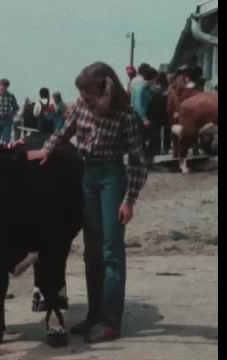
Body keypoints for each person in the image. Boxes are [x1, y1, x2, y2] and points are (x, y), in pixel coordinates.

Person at [28, 62, 148, 343]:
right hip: (88, 176)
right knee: (92, 252)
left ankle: (110, 322)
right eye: (80, 92)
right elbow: (64, 131)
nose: (84, 98)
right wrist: (47, 148)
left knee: (111, 252)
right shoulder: (81, 107)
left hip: (111, 177)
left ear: (106, 86)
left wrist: (129, 199)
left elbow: (138, 162)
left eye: (88, 92)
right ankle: (94, 315)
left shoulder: (125, 115)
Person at [131, 66, 158, 162]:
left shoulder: (146, 88)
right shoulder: (141, 87)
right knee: (147, 137)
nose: (156, 81)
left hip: (141, 116)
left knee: (143, 139)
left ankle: (145, 159)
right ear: (152, 78)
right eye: (155, 78)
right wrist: (144, 118)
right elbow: (138, 105)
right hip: (139, 116)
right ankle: (145, 159)